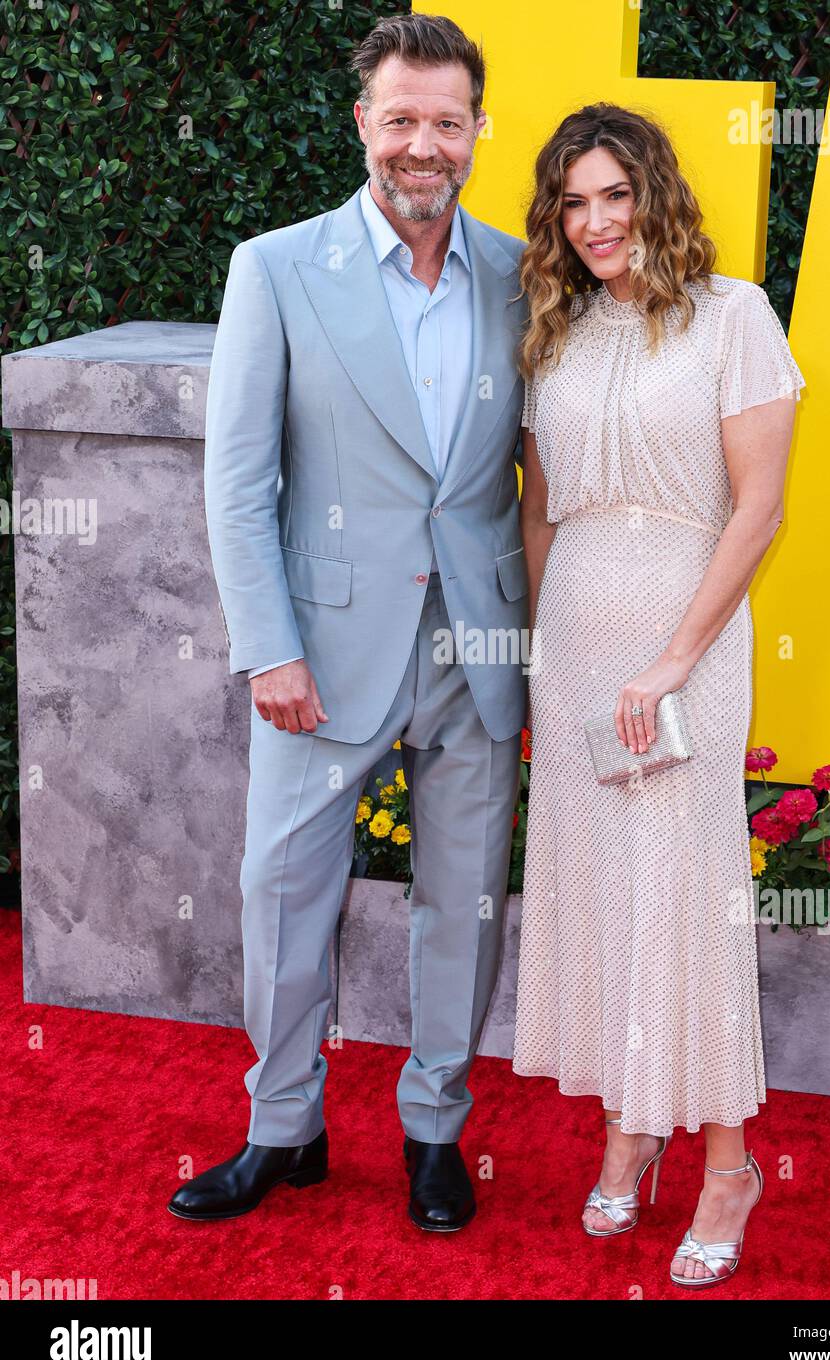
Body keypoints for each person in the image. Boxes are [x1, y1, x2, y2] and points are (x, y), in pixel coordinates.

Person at [168, 12, 529, 1233]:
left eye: (445, 120)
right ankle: (284, 1128)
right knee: (281, 888)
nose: (421, 144)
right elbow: (238, 478)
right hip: (319, 651)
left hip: (475, 650)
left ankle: (435, 1126)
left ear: (477, 132)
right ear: (361, 125)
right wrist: (266, 644)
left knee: (464, 899)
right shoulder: (275, 266)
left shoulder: (522, 273)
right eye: (400, 119)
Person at [512, 104, 805, 1285]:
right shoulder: (557, 331)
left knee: (684, 888)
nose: (593, 222)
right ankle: (627, 1125)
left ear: (654, 194)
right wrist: (544, 650)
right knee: (601, 888)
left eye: (612, 195)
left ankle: (727, 1161)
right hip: (578, 636)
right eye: (572, 203)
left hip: (685, 633)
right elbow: (538, 510)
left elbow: (758, 507)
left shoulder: (733, 316)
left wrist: (677, 652)